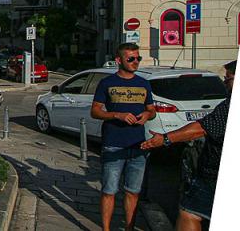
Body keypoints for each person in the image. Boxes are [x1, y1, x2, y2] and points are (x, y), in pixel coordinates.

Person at [140, 59, 234, 229]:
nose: (226, 83)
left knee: (190, 213)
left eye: (229, 79)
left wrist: (165, 138)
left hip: (214, 173)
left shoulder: (230, 105)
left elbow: (202, 128)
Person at [90, 42, 155, 231]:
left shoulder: (143, 84)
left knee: (133, 192)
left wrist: (147, 115)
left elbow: (152, 110)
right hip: (114, 144)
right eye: (131, 59)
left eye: (138, 58)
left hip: (138, 146)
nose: (136, 62)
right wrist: (115, 115)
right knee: (109, 191)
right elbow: (95, 111)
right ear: (119, 60)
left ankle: (129, 228)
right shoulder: (107, 83)